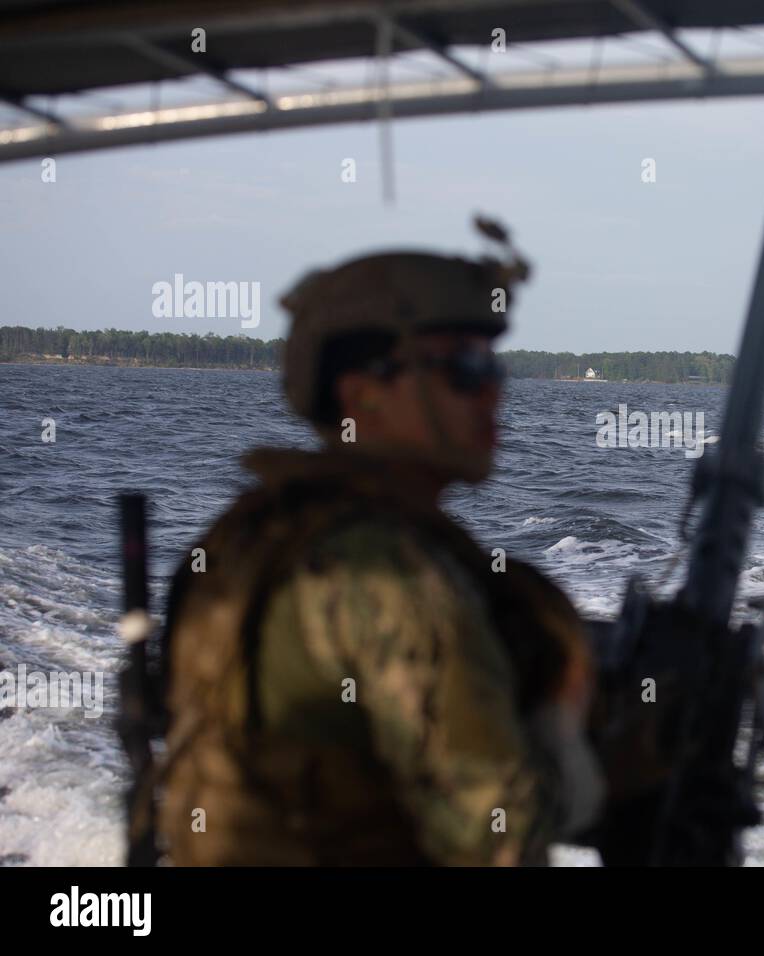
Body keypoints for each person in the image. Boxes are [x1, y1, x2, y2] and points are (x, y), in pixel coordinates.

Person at [156, 222, 604, 865]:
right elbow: (500, 836)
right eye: (465, 367)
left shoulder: (249, 535)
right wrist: (571, 730)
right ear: (362, 396)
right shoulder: (387, 572)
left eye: (494, 364)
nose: (494, 389)